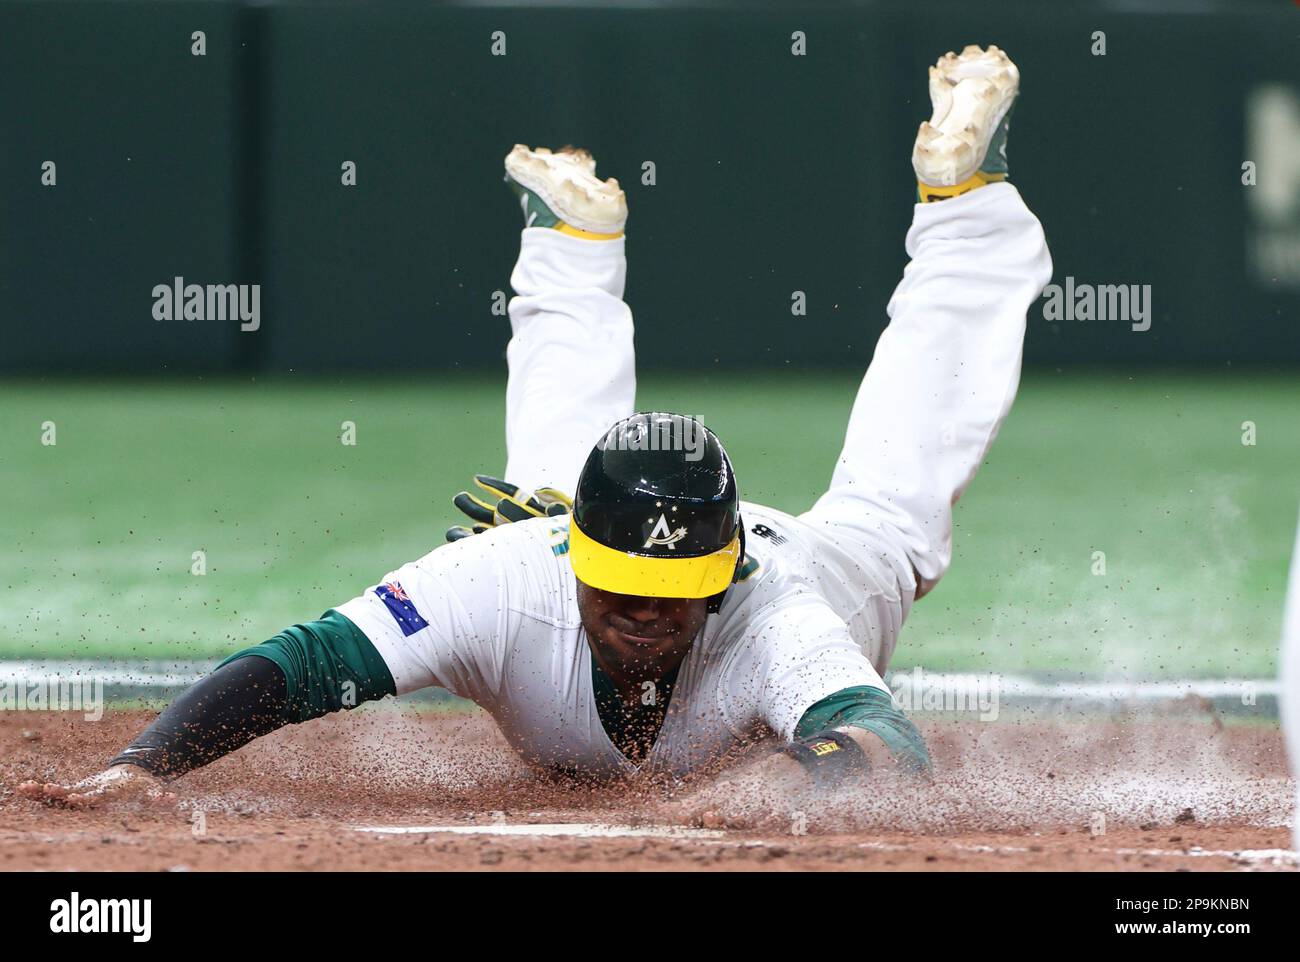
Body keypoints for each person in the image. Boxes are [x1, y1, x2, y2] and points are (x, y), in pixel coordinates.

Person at [21, 45, 1051, 813]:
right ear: (575, 555)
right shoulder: (506, 577)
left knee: (890, 520)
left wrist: (789, 787)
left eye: (673, 594)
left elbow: (884, 744)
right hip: (551, 536)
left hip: (820, 558)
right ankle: (567, 241)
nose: (648, 613)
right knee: (544, 498)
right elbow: (299, 663)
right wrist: (137, 766)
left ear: (720, 581)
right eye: (625, 586)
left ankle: (957, 204)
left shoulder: (777, 617)